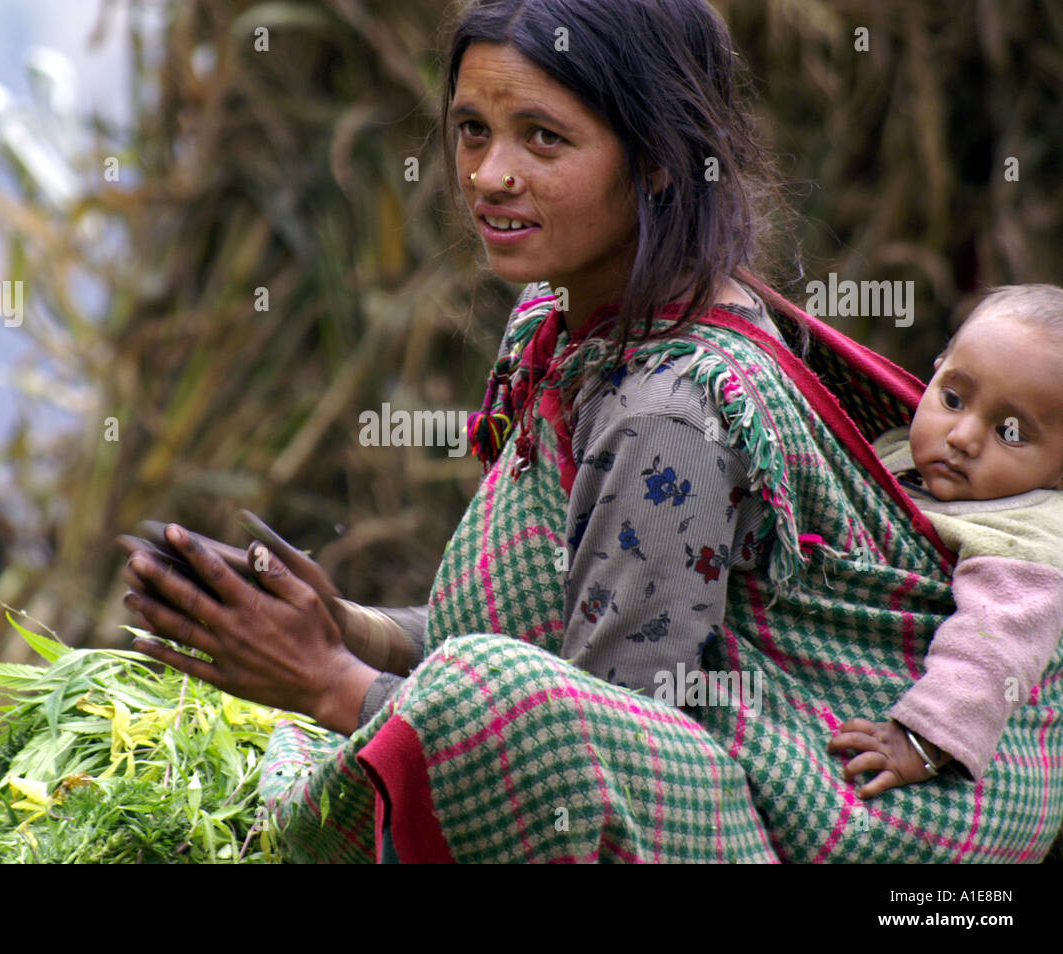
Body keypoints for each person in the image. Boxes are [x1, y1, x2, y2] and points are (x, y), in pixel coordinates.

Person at [121, 0, 1063, 862]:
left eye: (544, 138)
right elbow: (547, 622)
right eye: (472, 132)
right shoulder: (575, 324)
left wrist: (328, 683)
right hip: (656, 753)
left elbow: (579, 736)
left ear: (656, 160)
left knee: (478, 689)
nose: (492, 175)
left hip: (753, 820)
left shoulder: (674, 410)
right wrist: (353, 629)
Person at [829, 285, 1063, 796]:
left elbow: (996, 644)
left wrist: (922, 741)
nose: (961, 436)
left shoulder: (1029, 534)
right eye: (952, 399)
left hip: (902, 712)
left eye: (1010, 432)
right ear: (933, 372)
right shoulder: (894, 451)